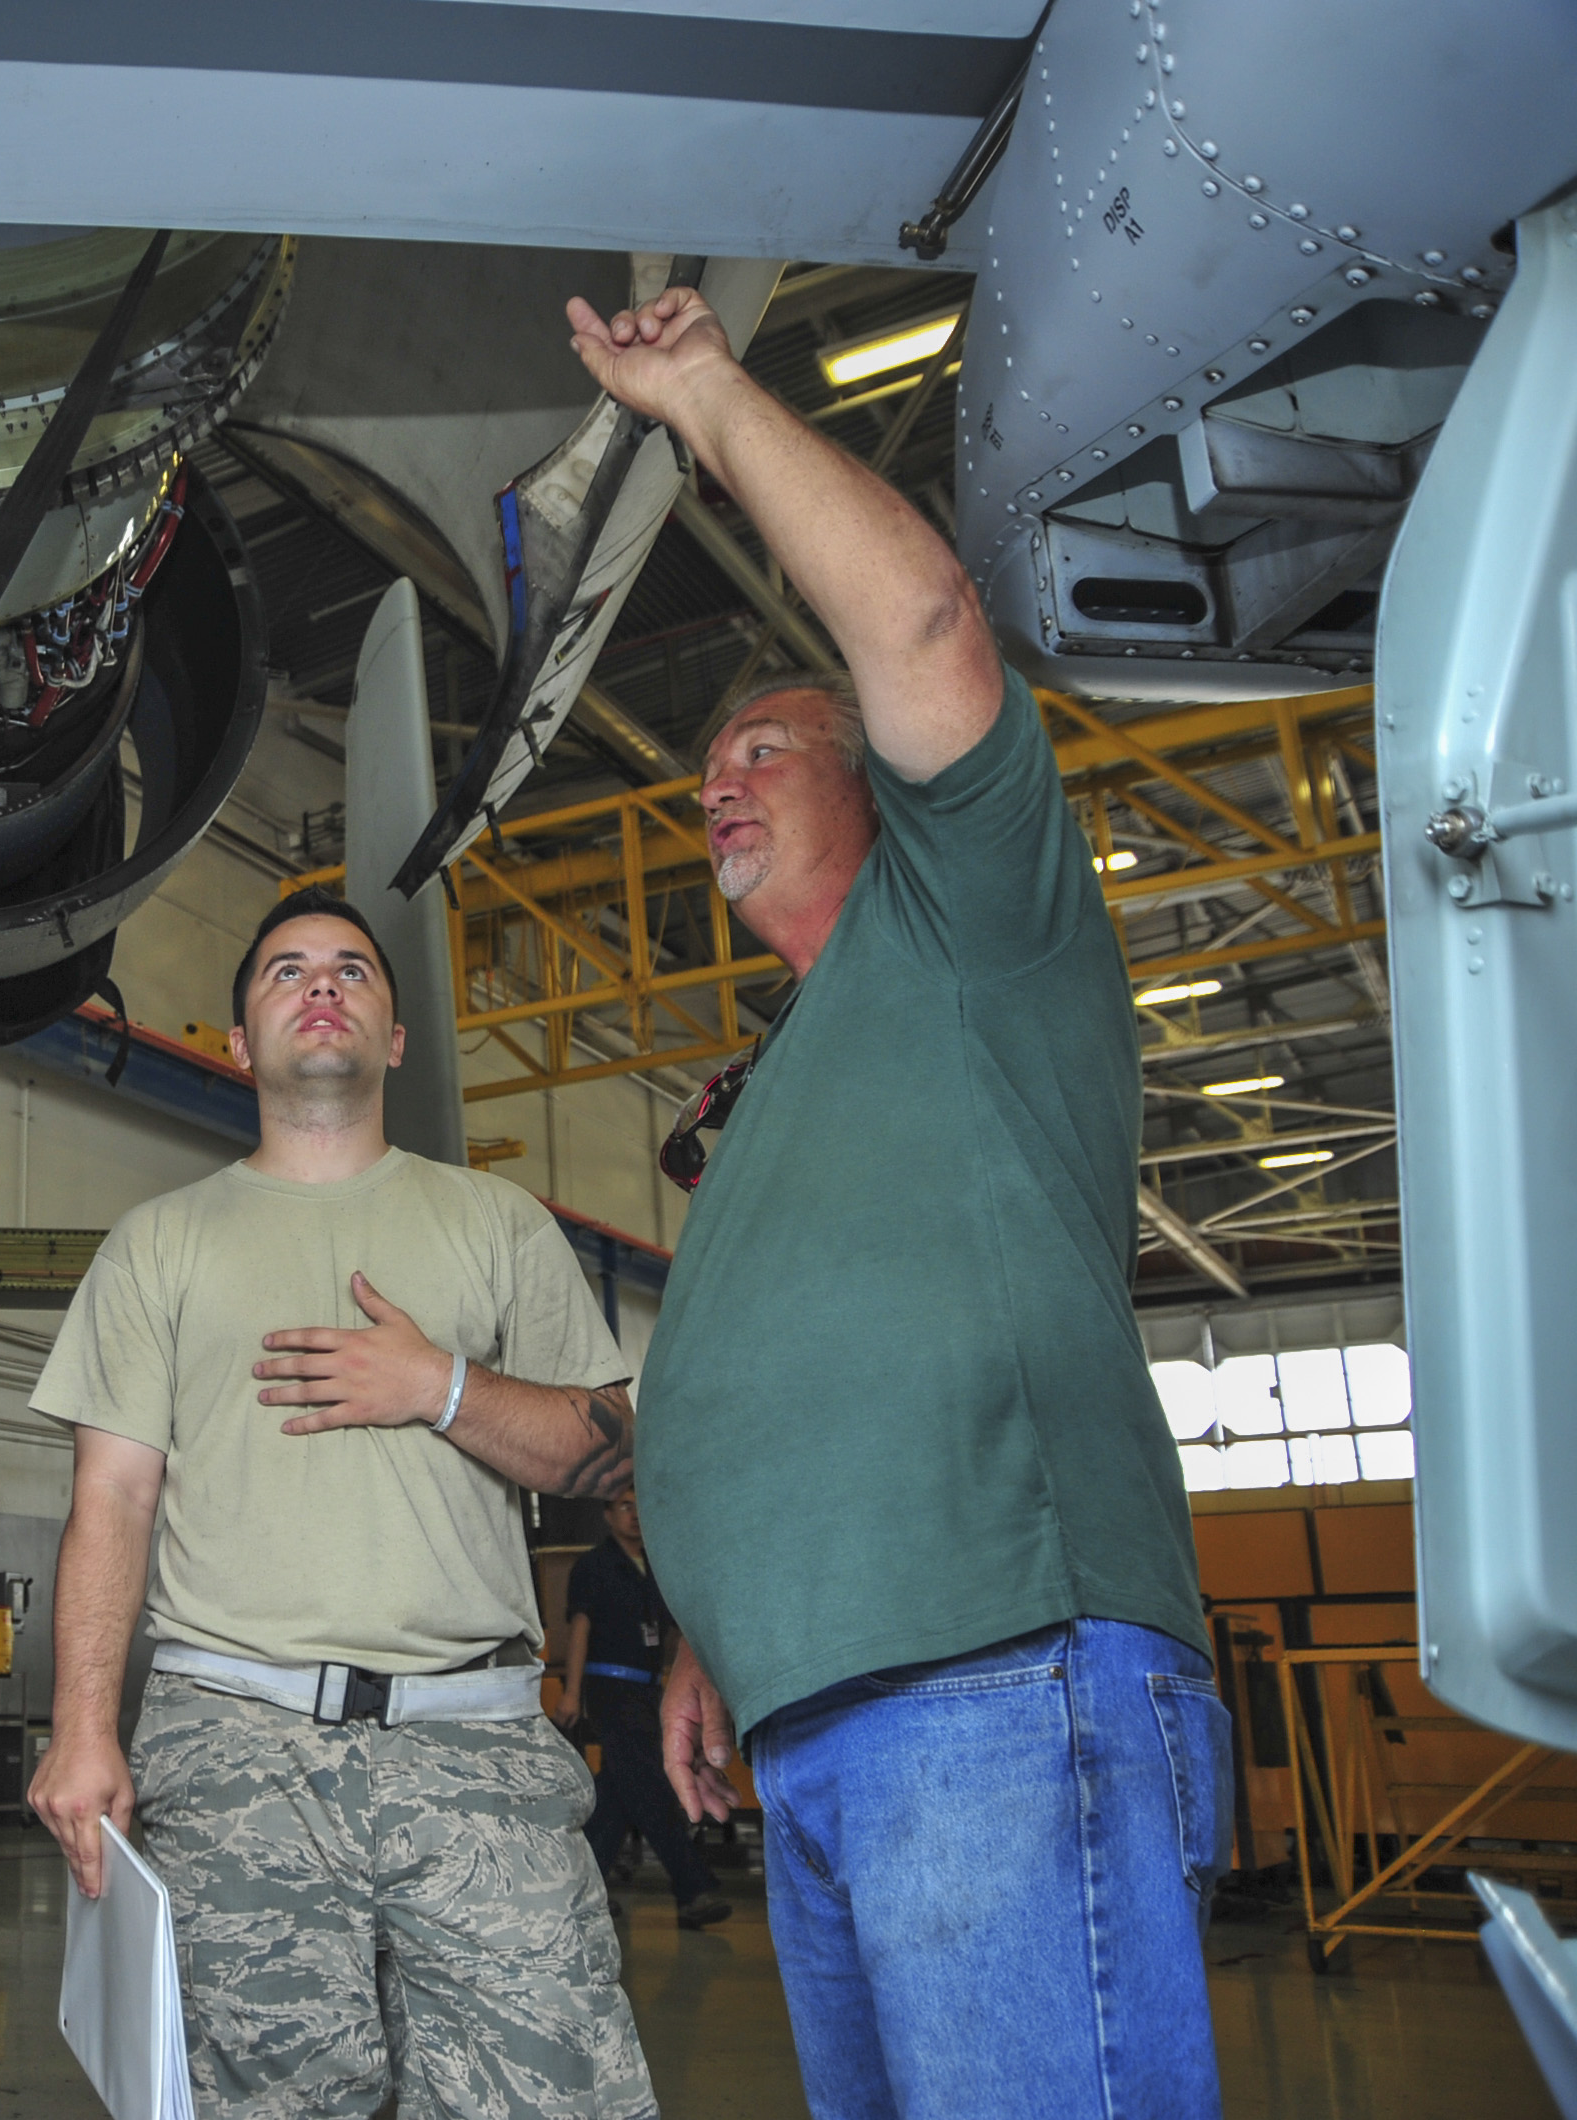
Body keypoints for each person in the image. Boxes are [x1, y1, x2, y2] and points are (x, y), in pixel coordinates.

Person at [565, 286, 1229, 2117]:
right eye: (709, 764)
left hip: (994, 1680)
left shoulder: (975, 931)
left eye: (760, 747)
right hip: (829, 1713)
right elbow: (777, 1389)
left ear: (881, 777)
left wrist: (700, 395)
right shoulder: (779, 1073)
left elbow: (925, 621)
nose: (712, 778)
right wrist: (718, 1628)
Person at [27, 886, 657, 2120]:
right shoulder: (158, 1243)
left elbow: (612, 1453)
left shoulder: (497, 1224)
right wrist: (80, 1724)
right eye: (285, 971)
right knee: (263, 2096)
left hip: (473, 1735)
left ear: (398, 1038)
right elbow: (110, 1495)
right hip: (235, 1746)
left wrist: (441, 1385)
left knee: (546, 2091)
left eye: (353, 970)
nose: (321, 985)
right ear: (238, 1043)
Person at [555, 1490, 730, 1929]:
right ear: (607, 1515)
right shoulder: (593, 1566)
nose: (634, 1515)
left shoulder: (656, 1567)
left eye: (639, 1505)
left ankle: (580, 1890)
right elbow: (579, 1629)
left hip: (649, 1692)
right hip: (608, 1689)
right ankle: (693, 1888)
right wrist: (572, 1692)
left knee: (621, 1789)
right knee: (650, 1784)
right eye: (624, 1506)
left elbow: (671, 1635)